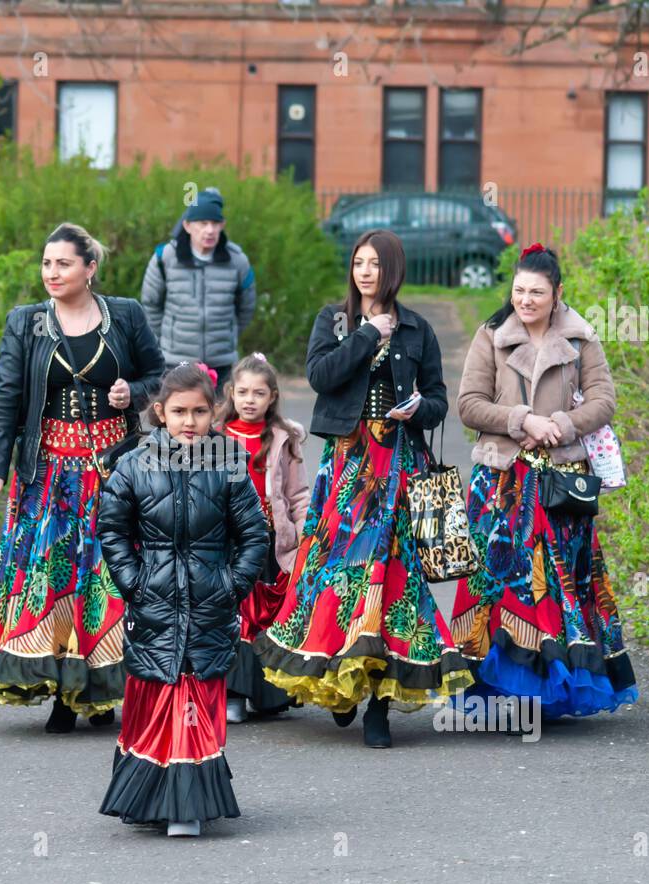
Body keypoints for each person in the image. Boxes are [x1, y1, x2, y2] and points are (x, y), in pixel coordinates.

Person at [252, 229, 472, 748]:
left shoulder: (418, 329)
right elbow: (322, 376)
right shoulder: (334, 320)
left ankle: (381, 704)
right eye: (358, 261)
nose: (365, 270)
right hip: (347, 466)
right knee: (335, 574)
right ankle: (341, 678)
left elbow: (442, 399)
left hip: (399, 464)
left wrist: (422, 407)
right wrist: (368, 334)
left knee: (393, 577)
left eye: (374, 262)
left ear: (392, 269)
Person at [0, 222, 166, 733]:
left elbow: (159, 376)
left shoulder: (124, 314)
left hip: (114, 469)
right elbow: (5, 398)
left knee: (108, 577)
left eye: (64, 264)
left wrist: (133, 393)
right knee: (60, 579)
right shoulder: (26, 321)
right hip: (48, 473)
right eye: (46, 263)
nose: (52, 273)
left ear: (90, 268)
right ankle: (62, 690)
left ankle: (101, 688)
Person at [451, 242, 637, 717]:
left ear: (557, 293)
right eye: (519, 290)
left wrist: (563, 423)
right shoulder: (491, 335)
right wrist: (521, 420)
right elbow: (469, 403)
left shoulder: (581, 339)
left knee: (558, 583)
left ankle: (552, 689)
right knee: (501, 581)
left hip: (560, 482)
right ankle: (499, 691)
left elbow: (604, 399)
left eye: (536, 291)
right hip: (500, 481)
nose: (526, 300)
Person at [97, 362, 269, 836]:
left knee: (195, 699)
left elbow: (254, 534)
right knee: (154, 698)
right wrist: (133, 581)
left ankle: (186, 806)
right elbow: (112, 529)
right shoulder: (132, 463)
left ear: (214, 411)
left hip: (211, 600)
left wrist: (232, 585)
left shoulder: (229, 462)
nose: (189, 422)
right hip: (152, 599)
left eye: (199, 412)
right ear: (160, 412)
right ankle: (146, 797)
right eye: (178, 412)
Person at [217, 352, 310, 723]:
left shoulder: (282, 439)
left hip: (271, 540)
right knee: (235, 614)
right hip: (228, 540)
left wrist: (304, 532)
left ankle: (269, 695)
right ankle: (233, 694)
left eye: (258, 393)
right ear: (231, 394)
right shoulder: (217, 436)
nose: (250, 400)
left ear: (272, 397)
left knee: (267, 614)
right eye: (243, 392)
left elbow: (298, 493)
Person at [140, 188, 256, 394]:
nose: (210, 230)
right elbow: (150, 304)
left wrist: (229, 333)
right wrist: (166, 339)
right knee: (180, 421)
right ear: (187, 225)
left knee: (219, 421)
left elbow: (247, 306)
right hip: (176, 362)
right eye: (203, 223)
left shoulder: (237, 260)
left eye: (215, 223)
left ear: (222, 225)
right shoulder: (164, 257)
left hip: (222, 364)